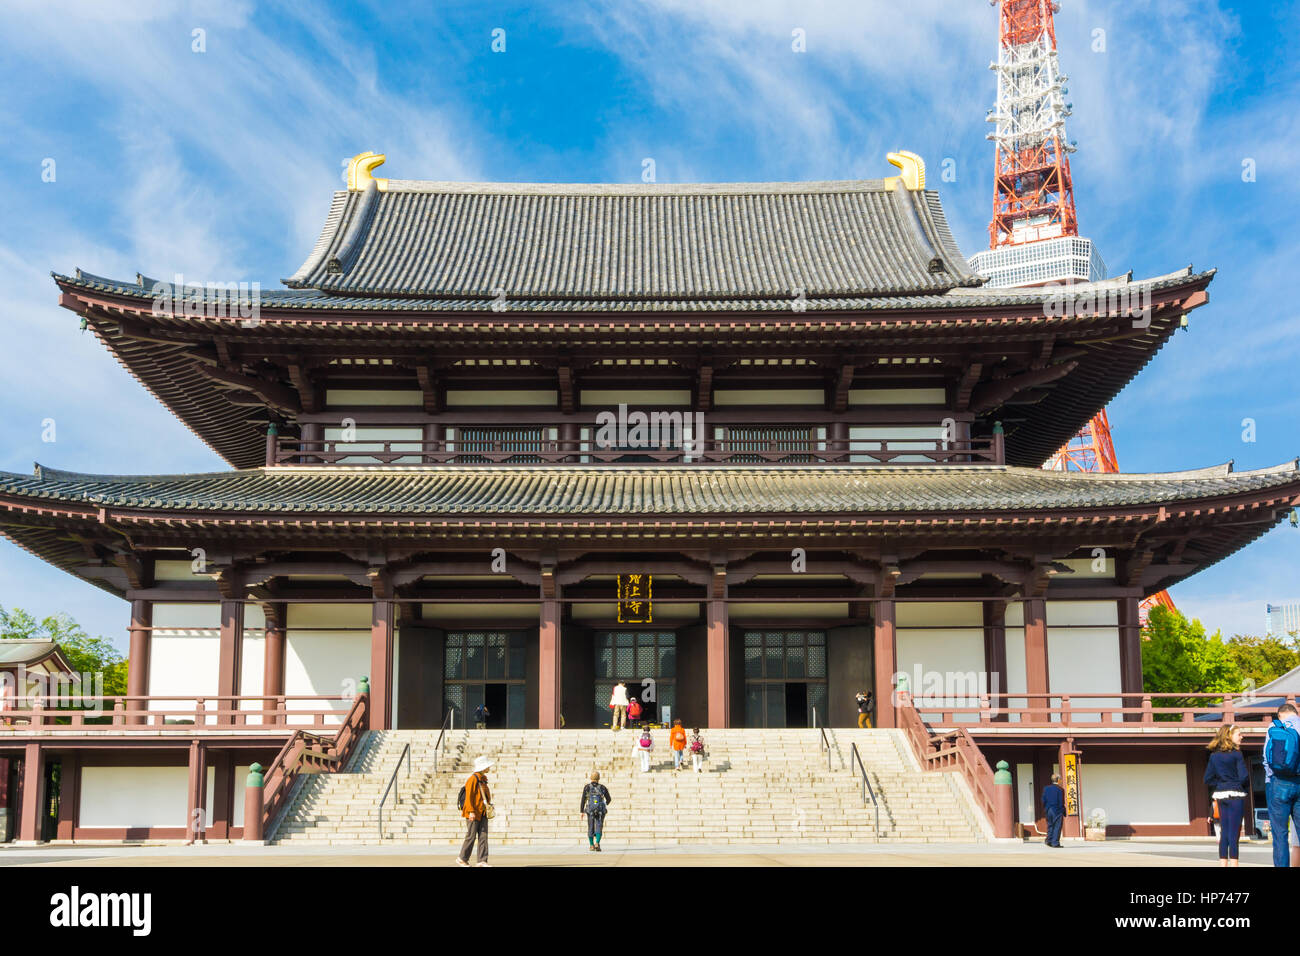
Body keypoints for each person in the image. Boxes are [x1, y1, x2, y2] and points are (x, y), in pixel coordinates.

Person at [1204, 724, 1249, 866]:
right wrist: (1240, 786)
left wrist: (1221, 783)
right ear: (1230, 736)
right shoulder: (1237, 754)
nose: (1242, 737)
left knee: (1224, 833)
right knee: (1234, 834)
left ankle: (1223, 864)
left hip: (1221, 795)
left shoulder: (1214, 756)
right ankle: (1234, 864)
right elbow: (1244, 777)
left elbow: (1207, 779)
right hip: (1236, 795)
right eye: (1239, 734)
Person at [1264, 702, 1300, 867]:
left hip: (1278, 784)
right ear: (1295, 713)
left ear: (1280, 715)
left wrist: (1271, 779)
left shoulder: (1274, 726)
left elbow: (1266, 758)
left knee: (1279, 835)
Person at [456, 755, 494, 867]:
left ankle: (482, 860)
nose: (489, 768)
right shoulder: (472, 779)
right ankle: (462, 858)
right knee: (471, 836)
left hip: (482, 812)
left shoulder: (483, 780)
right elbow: (469, 797)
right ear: (483, 767)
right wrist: (471, 811)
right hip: (473, 812)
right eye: (487, 766)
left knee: (483, 836)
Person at [579, 770, 613, 852]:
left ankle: (591, 845)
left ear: (591, 778)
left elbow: (583, 799)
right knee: (599, 826)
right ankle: (597, 843)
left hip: (590, 810)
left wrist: (582, 811)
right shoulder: (602, 787)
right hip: (600, 810)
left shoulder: (587, 787)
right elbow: (609, 799)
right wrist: (604, 803)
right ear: (599, 778)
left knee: (590, 826)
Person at [1042, 773, 1065, 848]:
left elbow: (1043, 800)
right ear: (1058, 780)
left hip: (1048, 809)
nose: (1061, 781)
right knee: (1057, 826)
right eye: (1060, 779)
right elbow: (1061, 802)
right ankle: (1055, 843)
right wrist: (1063, 811)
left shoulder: (1046, 788)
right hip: (1057, 810)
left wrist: (1046, 808)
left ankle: (1049, 840)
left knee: (1050, 825)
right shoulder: (1060, 789)